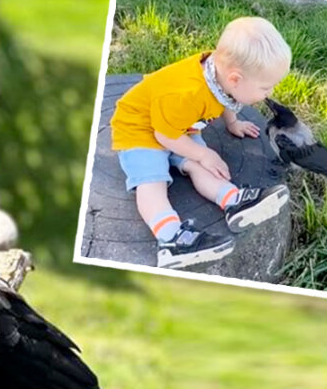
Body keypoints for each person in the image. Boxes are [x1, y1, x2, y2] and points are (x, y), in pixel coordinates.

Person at [111, 16, 292, 269]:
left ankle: (233, 201)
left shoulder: (219, 75)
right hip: (140, 127)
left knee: (200, 166)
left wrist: (232, 123)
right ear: (236, 79)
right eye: (266, 87)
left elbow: (227, 99)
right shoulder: (188, 93)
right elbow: (164, 136)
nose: (270, 93)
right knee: (152, 179)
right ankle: (171, 239)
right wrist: (203, 154)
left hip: (177, 124)